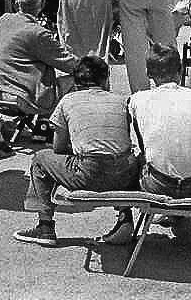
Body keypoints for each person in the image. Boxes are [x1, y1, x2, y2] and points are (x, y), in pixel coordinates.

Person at [13, 55, 141, 247]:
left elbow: (58, 148)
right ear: (106, 79)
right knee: (125, 156)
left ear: (76, 80)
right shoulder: (122, 101)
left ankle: (45, 226)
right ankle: (124, 217)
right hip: (125, 174)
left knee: (40, 159)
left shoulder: (68, 101)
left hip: (89, 172)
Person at [126, 44, 191, 245]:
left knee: (137, 156)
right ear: (181, 70)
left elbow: (141, 144)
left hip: (157, 184)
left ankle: (126, 220)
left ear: (149, 74)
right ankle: (178, 214)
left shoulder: (137, 100)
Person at [0, 0, 78, 118]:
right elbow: (71, 65)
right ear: (42, 4)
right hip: (21, 97)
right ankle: (57, 131)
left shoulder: (3, 20)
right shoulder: (38, 33)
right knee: (79, 78)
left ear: (16, 4)